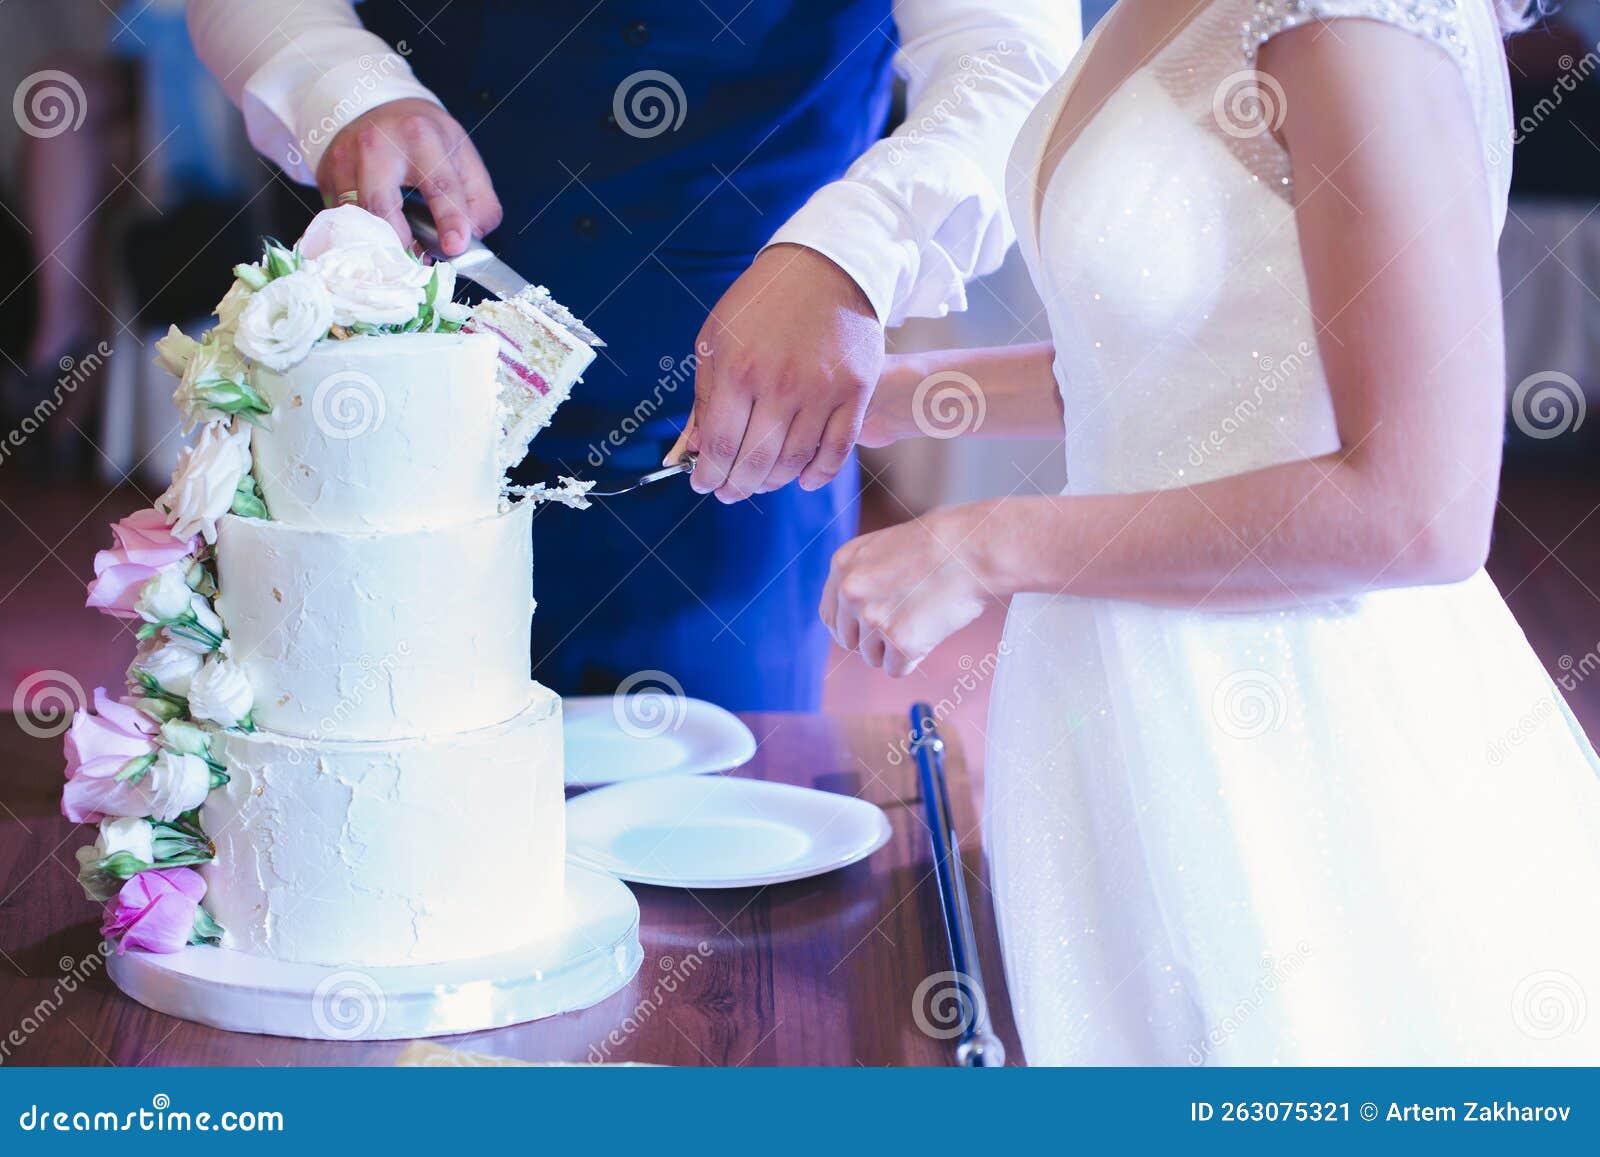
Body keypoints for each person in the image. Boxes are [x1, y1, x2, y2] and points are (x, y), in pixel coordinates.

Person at [826, 0, 1600, 1063]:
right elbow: (1189, 361)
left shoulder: (1350, 21)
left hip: (1288, 737)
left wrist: (987, 544)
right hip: (1110, 696)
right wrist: (899, 395)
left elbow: (1420, 506)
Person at [185, 0, 1080, 710]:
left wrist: (860, 246)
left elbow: (1010, 61)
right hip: (381, 431)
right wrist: (341, 84)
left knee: (709, 885)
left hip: (737, 462)